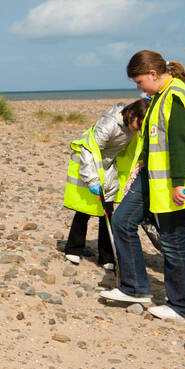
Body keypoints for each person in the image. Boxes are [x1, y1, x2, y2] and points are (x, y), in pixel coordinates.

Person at [101, 50, 185, 322]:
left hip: (171, 183)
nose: (138, 87)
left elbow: (181, 143)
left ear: (153, 74)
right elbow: (155, 140)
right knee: (121, 221)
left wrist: (179, 184)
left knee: (173, 242)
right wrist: (141, 163)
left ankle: (181, 306)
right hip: (151, 178)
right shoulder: (158, 97)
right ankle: (134, 288)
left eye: (139, 81)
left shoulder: (176, 96)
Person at [62, 100, 147, 269]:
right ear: (131, 114)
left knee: (107, 212)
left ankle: (106, 257)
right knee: (84, 209)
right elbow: (88, 150)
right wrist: (92, 180)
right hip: (89, 163)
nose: (139, 128)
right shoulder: (108, 125)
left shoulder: (132, 126)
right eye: (139, 124)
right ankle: (73, 249)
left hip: (108, 165)